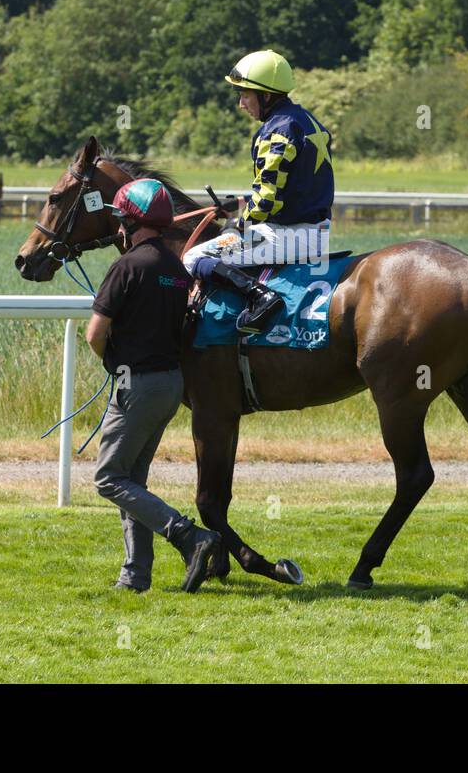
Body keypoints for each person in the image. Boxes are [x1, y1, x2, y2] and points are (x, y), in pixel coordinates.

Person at [87, 177, 222, 593]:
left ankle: (188, 535)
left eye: (122, 220)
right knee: (132, 480)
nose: (119, 228)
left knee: (108, 478)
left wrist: (113, 359)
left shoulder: (126, 266)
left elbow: (95, 334)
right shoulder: (176, 269)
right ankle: (135, 576)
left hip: (137, 387)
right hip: (170, 386)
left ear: (131, 221)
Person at [182, 49, 335, 334]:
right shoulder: (305, 120)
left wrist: (236, 223)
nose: (241, 104)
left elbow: (265, 202)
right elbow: (291, 185)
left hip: (288, 236)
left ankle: (260, 297)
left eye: (245, 95)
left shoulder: (276, 131)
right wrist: (239, 202)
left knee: (192, 258)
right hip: (316, 229)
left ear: (266, 96)